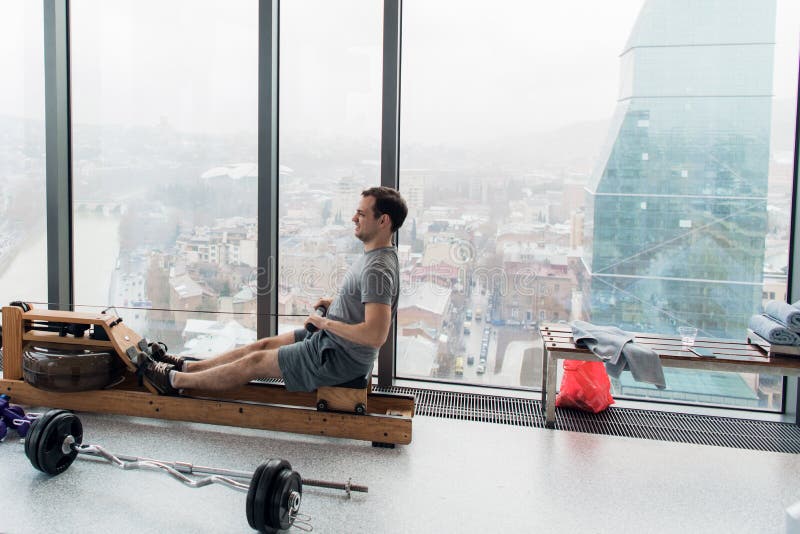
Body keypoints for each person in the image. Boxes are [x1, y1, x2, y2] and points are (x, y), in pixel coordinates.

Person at [143, 186, 407, 395]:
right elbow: (363, 301)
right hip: (332, 342)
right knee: (264, 344)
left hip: (338, 357)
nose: (353, 218)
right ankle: (188, 366)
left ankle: (173, 380)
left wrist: (326, 322)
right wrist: (333, 302)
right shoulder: (379, 254)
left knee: (255, 362)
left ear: (383, 221)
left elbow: (375, 335)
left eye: (361, 214)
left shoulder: (377, 268)